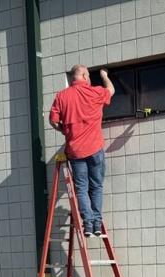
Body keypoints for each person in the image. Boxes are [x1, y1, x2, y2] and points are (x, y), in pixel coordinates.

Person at [49, 64, 115, 238]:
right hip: (95, 149)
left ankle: (87, 224)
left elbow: (53, 121)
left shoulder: (62, 96)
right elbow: (111, 90)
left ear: (72, 78)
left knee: (81, 188)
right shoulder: (95, 92)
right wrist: (104, 75)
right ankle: (96, 223)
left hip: (76, 152)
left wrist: (65, 130)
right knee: (97, 187)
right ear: (85, 76)